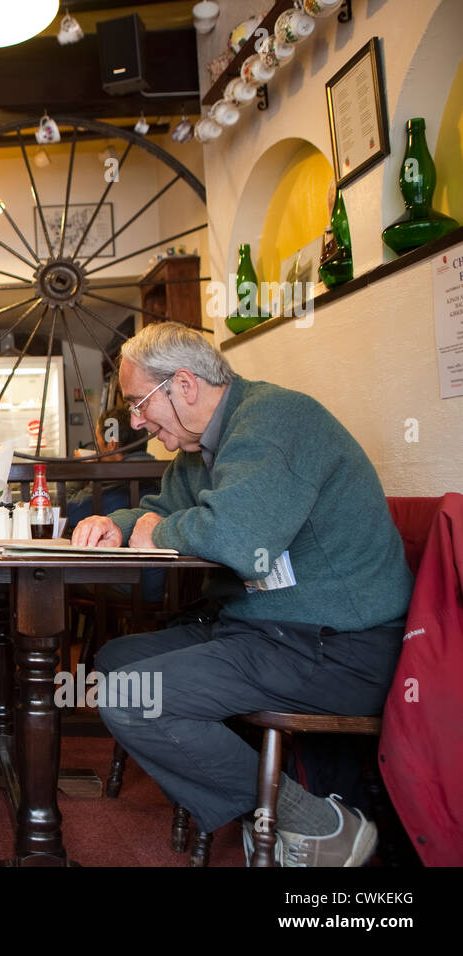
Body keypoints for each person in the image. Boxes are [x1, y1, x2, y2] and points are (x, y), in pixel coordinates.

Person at [72, 322, 413, 866]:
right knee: (116, 660)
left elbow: (238, 537)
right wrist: (118, 522)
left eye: (139, 403)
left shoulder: (276, 419)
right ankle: (266, 807)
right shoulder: (198, 447)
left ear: (183, 385)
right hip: (265, 628)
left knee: (131, 694)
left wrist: (156, 532)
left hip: (339, 646)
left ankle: (321, 826)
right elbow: (160, 511)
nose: (134, 422)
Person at [65, 407, 164, 605]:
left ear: (111, 443)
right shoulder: (163, 474)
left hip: (135, 587)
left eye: (98, 441)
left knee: (53, 575)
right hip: (169, 587)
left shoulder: (112, 481)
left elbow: (66, 510)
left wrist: (83, 468)